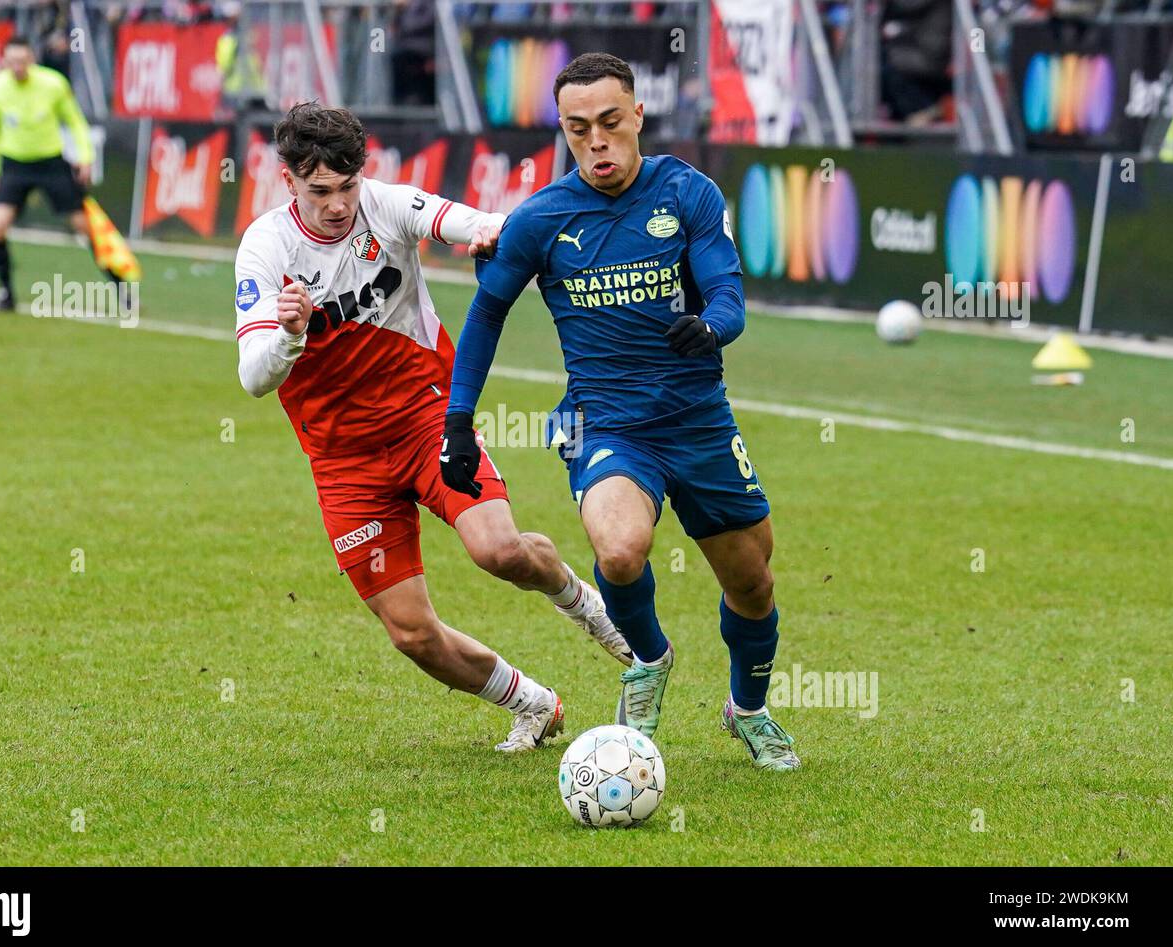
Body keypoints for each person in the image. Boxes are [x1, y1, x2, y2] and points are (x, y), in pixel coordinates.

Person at [439, 53, 800, 771]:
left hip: (698, 420)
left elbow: (727, 294)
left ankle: (748, 708)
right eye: (578, 130)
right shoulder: (543, 218)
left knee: (752, 582)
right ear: (564, 133)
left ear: (637, 115)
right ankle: (649, 657)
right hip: (603, 422)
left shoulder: (687, 193)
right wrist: (458, 418)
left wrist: (712, 327)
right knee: (619, 549)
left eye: (609, 123)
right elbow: (486, 315)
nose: (596, 141)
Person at [233, 103, 631, 753]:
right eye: (320, 192)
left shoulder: (386, 206)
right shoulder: (266, 248)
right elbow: (253, 376)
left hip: (426, 418)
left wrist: (488, 236)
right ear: (288, 181)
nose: (338, 205)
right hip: (343, 462)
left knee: (497, 551)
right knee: (412, 633)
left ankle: (587, 606)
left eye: (347, 186)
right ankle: (533, 703)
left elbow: (467, 220)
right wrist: (288, 333)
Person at [0, 36, 99, 312]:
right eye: (12, 62)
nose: (18, 67)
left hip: (51, 164)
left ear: (32, 60)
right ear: (4, 62)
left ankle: (121, 287)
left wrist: (86, 157)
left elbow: (76, 122)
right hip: (14, 165)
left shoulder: (53, 84)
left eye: (23, 61)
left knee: (85, 226)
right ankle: (6, 292)